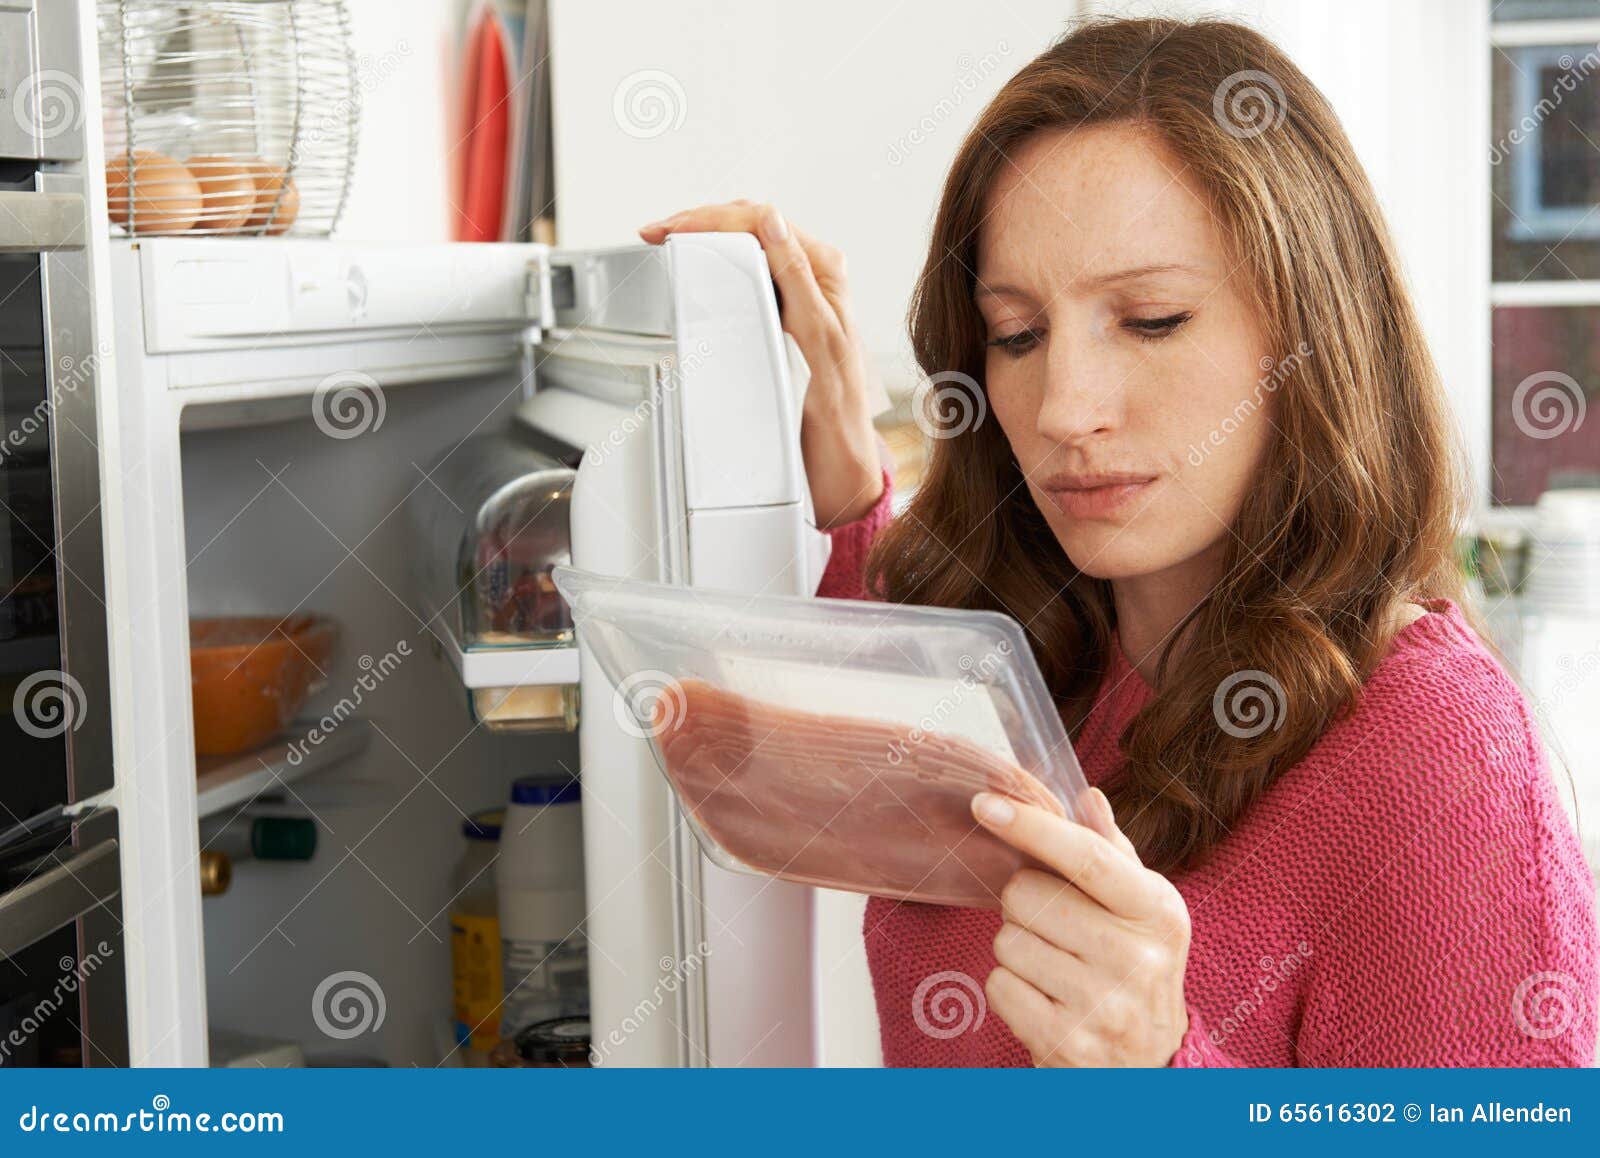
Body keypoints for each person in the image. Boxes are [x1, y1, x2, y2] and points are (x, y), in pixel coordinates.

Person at [638, 16, 1598, 1067]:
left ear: (1313, 337)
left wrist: (1155, 1070)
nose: (1064, 408)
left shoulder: (1437, 752)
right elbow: (862, 716)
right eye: (1016, 335)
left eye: (1150, 320)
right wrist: (837, 458)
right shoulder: (1027, 658)